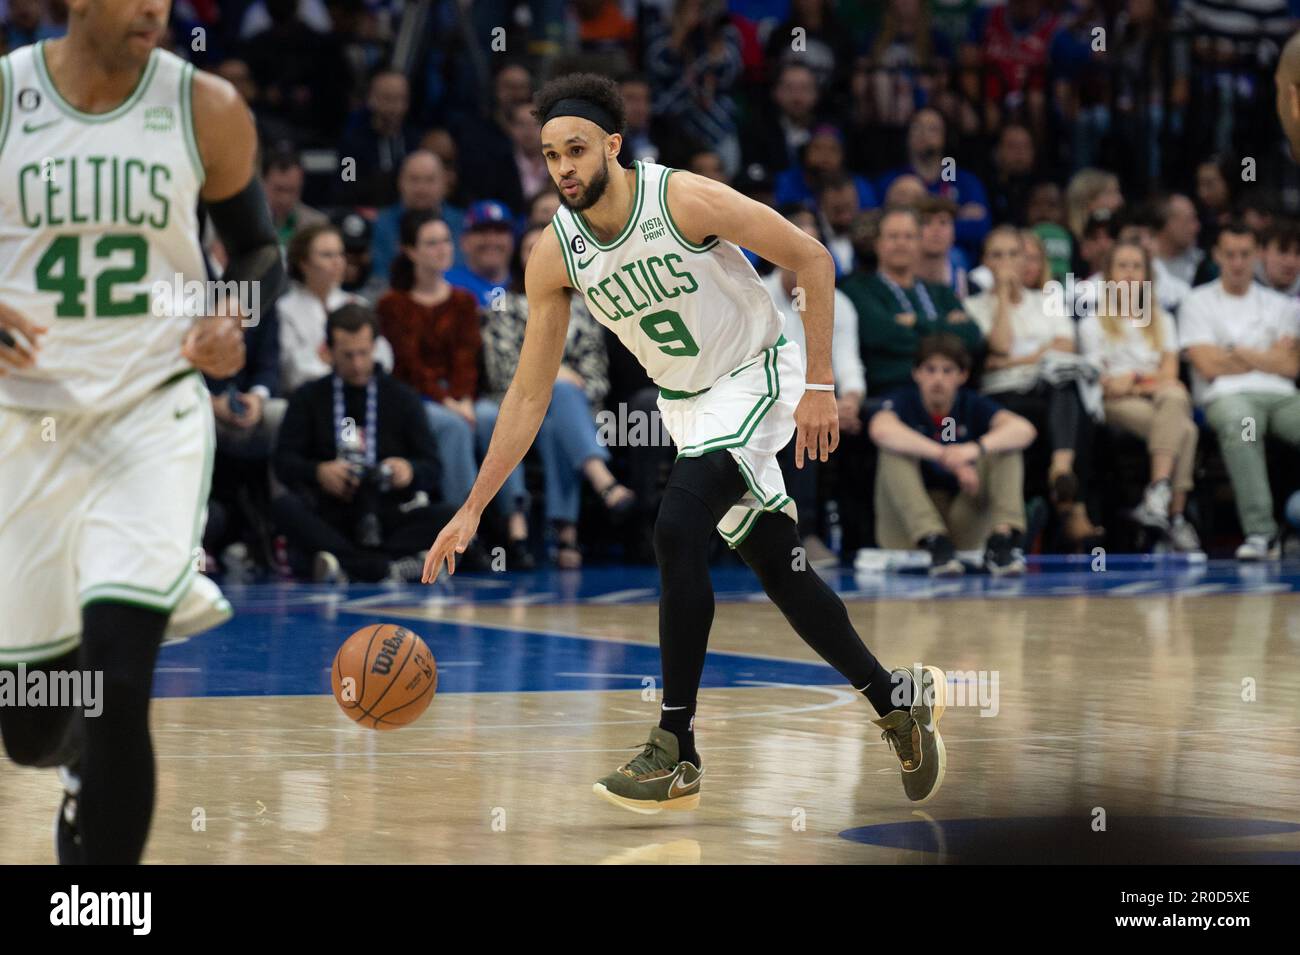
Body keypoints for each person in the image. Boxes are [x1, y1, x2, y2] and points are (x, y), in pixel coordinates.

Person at [422, 72, 949, 812]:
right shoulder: (554, 253)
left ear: (611, 144)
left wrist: (821, 385)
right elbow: (531, 392)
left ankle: (675, 745)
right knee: (779, 564)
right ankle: (896, 699)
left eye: (576, 149)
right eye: (549, 155)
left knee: (676, 527)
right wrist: (474, 505)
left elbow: (814, 259)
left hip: (757, 373)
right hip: (688, 406)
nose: (563, 167)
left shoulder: (682, 199)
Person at [0, 4, 286, 863]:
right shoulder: (8, 97)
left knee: (119, 683)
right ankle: (78, 758)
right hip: (26, 421)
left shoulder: (206, 107)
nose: (154, 8)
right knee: (31, 722)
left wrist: (230, 314)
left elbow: (258, 250)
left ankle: (103, 906)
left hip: (150, 410)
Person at [273, 305, 466, 584]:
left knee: (450, 516)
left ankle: (345, 565)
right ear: (327, 351)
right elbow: (284, 463)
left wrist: (408, 471)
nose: (357, 364)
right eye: (347, 355)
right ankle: (386, 567)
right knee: (284, 507)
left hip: (388, 511)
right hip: (332, 511)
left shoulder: (402, 397)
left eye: (363, 353)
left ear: (375, 347)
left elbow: (432, 466)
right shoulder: (308, 397)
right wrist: (319, 471)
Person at [479, 224, 629, 569]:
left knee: (558, 411)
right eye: (530, 249)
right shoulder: (505, 306)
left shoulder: (583, 307)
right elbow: (502, 373)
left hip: (571, 408)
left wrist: (558, 384)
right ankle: (589, 503)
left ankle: (536, 534)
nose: (540, 256)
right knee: (555, 396)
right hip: (515, 403)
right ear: (521, 259)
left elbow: (596, 379)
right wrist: (550, 375)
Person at [963, 226, 1100, 545]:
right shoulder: (974, 306)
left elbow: (1066, 347)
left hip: (1046, 389)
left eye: (1013, 254)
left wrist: (1013, 359)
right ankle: (1071, 505)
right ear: (985, 262)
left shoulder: (1047, 299)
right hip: (1001, 395)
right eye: (997, 256)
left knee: (1070, 391)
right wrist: (1003, 302)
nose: (1006, 263)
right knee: (1070, 404)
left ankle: (1060, 471)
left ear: (1025, 259)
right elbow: (998, 346)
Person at [1180, 222, 1300, 561]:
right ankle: (1261, 533)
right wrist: (1266, 356)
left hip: (1282, 395)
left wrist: (1236, 351)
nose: (1237, 262)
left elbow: (1291, 367)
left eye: (1245, 254)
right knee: (1242, 426)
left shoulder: (1281, 304)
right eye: (1230, 254)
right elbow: (1207, 365)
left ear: (1258, 256)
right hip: (1227, 396)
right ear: (1217, 256)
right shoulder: (1197, 301)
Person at [868, 335, 1037, 575]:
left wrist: (972, 450)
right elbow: (881, 430)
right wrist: (946, 456)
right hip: (910, 529)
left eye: (948, 371)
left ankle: (1002, 540)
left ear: (962, 376)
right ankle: (932, 538)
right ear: (916, 373)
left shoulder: (972, 403)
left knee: (1005, 447)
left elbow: (1023, 429)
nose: (938, 378)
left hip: (962, 519)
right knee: (893, 450)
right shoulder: (903, 401)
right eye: (930, 369)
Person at [1078, 242, 1200, 551]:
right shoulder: (1092, 323)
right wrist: (1145, 380)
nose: (1130, 274)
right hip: (1112, 405)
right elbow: (1103, 384)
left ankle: (1158, 500)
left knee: (1176, 402)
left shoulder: (1162, 320)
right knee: (1185, 428)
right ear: (1108, 276)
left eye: (1137, 266)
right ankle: (1174, 516)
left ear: (1148, 275)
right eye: (1122, 266)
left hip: (1156, 399)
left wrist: (1130, 379)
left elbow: (1170, 375)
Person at [375, 211, 483, 512]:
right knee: (455, 426)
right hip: (413, 398)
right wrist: (449, 403)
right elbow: (410, 367)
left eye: (446, 241)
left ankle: (514, 522)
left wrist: (463, 398)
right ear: (410, 251)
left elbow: (467, 357)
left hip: (458, 395)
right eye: (432, 243)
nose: (442, 248)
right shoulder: (392, 305)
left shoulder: (463, 300)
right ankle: (461, 524)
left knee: (499, 421)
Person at [277, 222, 393, 395]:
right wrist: (348, 366)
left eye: (340, 254)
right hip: (309, 399)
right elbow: (293, 372)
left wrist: (327, 358)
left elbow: (383, 358)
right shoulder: (284, 309)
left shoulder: (357, 304)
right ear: (303, 262)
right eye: (327, 255)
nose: (337, 262)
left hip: (361, 393)